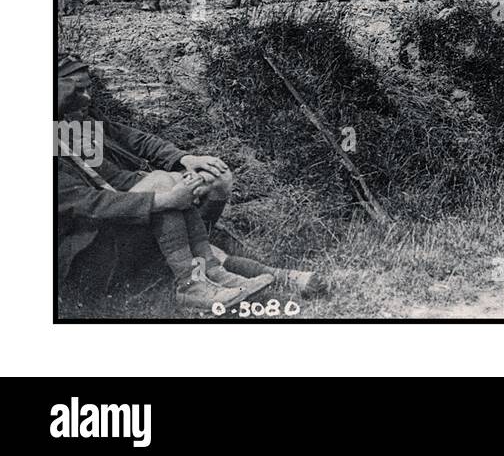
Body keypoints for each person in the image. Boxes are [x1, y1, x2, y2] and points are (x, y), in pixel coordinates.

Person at [57, 56, 322, 310]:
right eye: (76, 92)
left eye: (88, 89)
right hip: (86, 250)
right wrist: (160, 200)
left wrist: (185, 158)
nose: (87, 98)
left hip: (121, 218)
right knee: (166, 186)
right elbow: (87, 204)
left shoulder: (80, 123)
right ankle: (192, 284)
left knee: (211, 179)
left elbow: (139, 140)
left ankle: (225, 274)